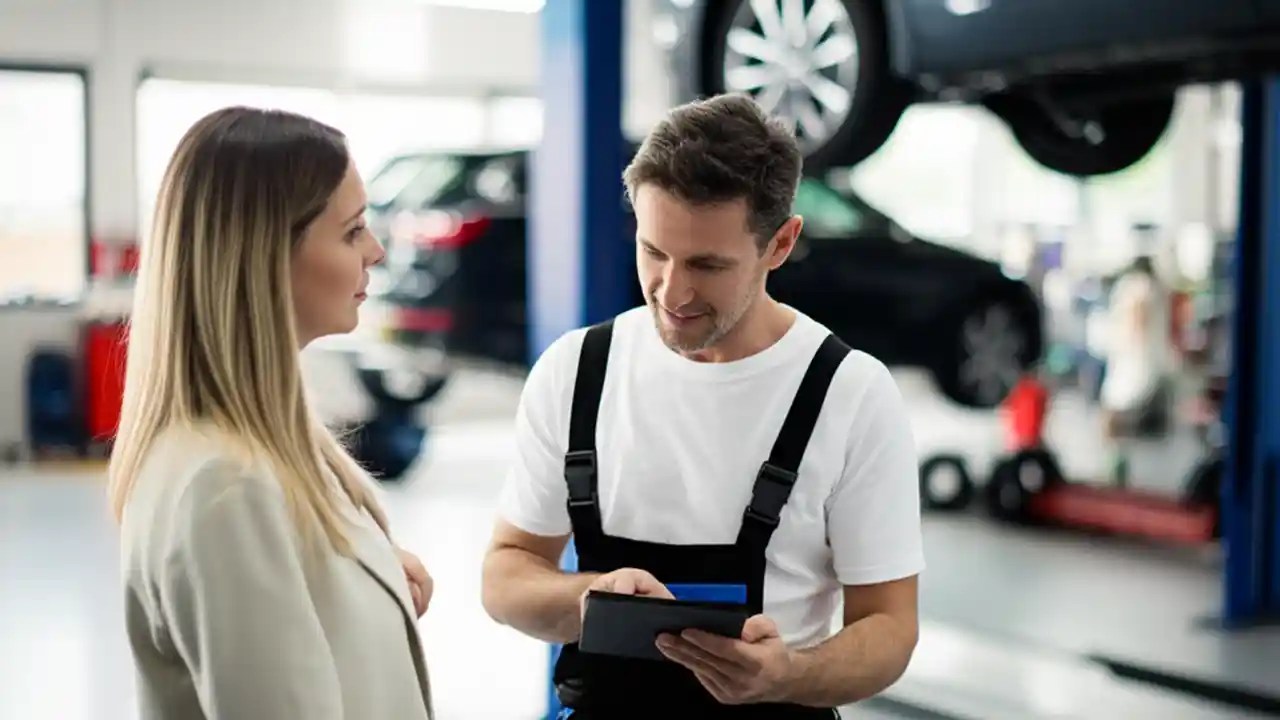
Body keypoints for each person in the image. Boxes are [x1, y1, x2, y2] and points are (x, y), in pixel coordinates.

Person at [481, 94, 924, 718]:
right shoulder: (576, 372)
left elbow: (890, 627)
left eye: (707, 265)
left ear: (780, 244)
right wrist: (588, 598)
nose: (673, 291)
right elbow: (505, 576)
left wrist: (788, 673)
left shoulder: (850, 395)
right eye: (654, 252)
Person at [108, 106, 434, 719]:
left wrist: (369, 581)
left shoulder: (257, 452)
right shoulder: (224, 486)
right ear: (264, 257)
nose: (377, 250)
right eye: (351, 231)